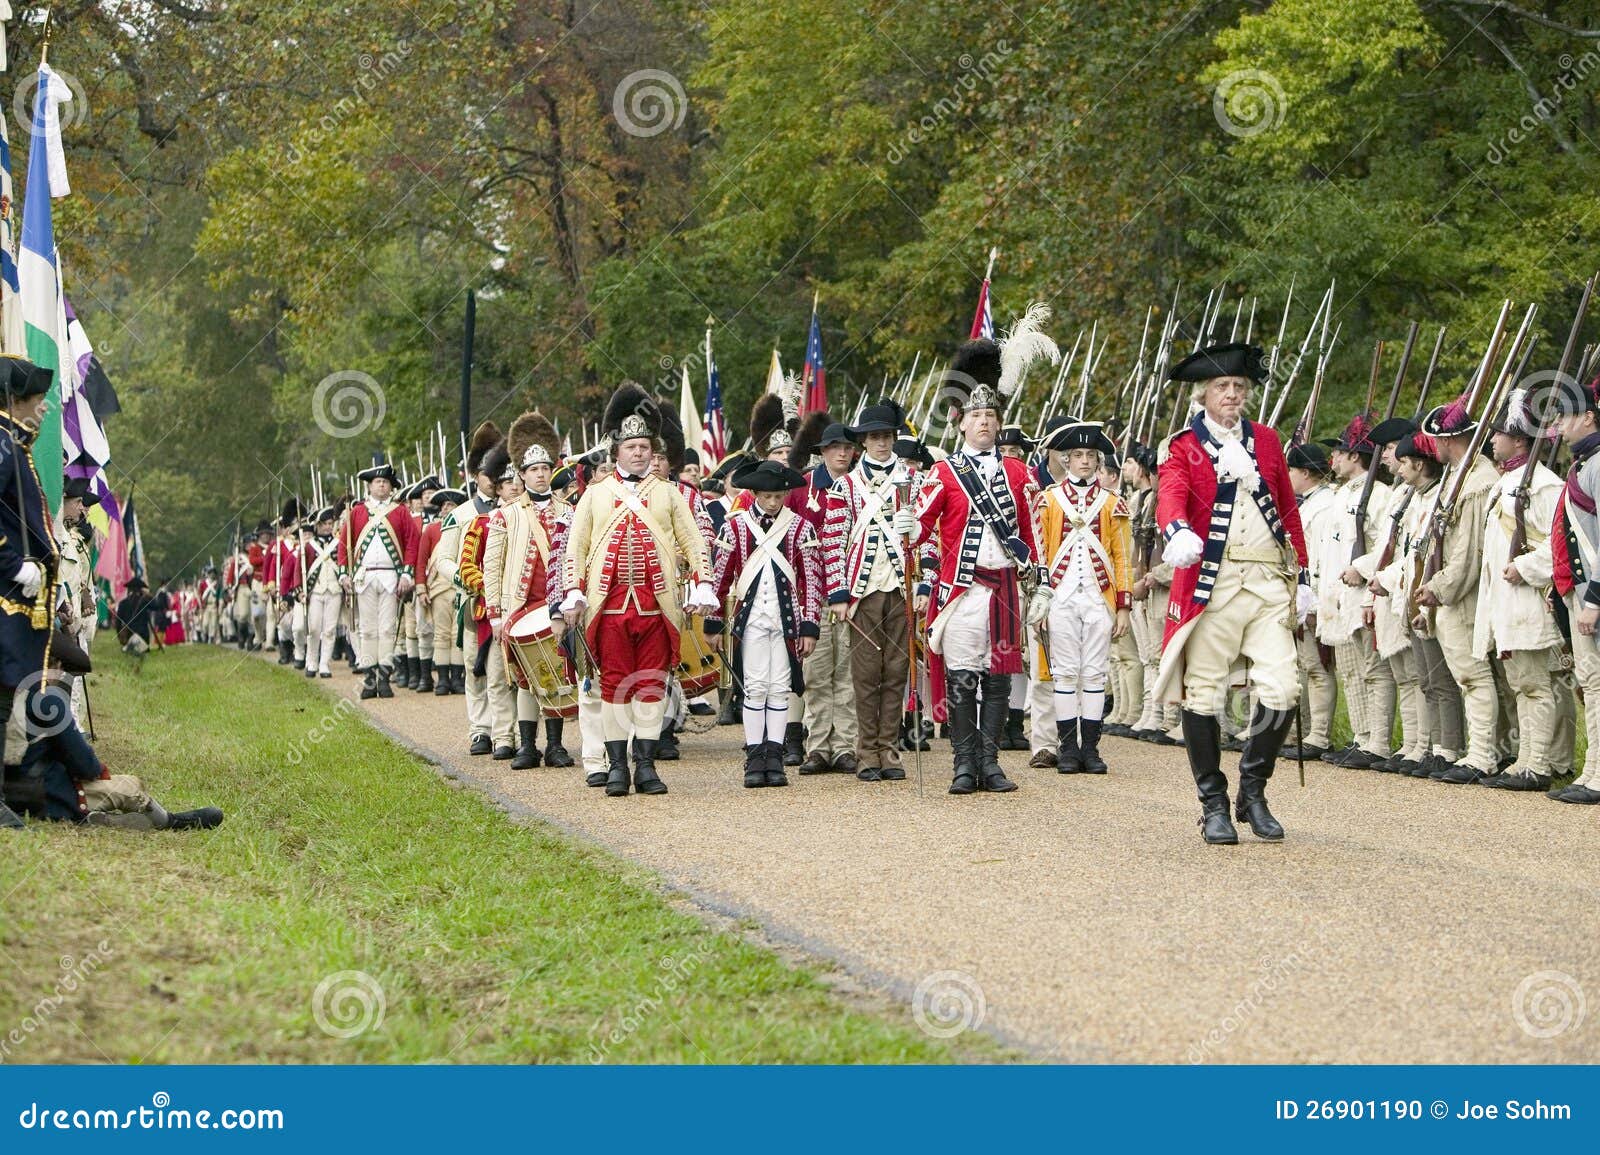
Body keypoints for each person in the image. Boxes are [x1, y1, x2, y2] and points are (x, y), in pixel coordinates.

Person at [1153, 342, 1312, 844]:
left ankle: (1254, 792)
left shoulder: (1266, 441)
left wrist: (1304, 576)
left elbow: (1288, 510)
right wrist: (1176, 529)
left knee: (1284, 688)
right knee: (1203, 695)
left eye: (1239, 387)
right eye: (1223, 386)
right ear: (1203, 395)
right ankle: (1213, 803)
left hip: (1267, 583)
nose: (1232, 395)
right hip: (1212, 586)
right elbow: (1171, 491)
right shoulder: (1183, 445)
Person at [908, 316, 1053, 796]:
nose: (984, 423)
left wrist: (1044, 584)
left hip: (1006, 585)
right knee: (963, 675)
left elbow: (1033, 533)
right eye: (976, 417)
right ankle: (963, 764)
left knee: (999, 678)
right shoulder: (944, 473)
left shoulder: (1018, 472)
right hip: (962, 589)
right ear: (962, 421)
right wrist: (910, 533)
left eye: (991, 417)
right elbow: (922, 531)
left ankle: (990, 763)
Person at [559, 383, 715, 797]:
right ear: (618, 451)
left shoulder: (668, 493)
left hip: (655, 606)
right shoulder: (594, 494)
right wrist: (573, 592)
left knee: (649, 684)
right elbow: (575, 547)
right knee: (612, 685)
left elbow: (694, 540)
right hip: (607, 607)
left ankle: (645, 765)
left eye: (645, 446)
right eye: (632, 446)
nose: (639, 452)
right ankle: (616, 767)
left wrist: (702, 580)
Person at [707, 459, 822, 787]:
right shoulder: (735, 527)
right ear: (755, 493)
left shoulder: (801, 527)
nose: (773, 502)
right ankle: (755, 756)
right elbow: (720, 578)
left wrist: (809, 626)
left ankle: (776, 755)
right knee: (755, 689)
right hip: (752, 618)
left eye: (779, 496)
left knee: (780, 689)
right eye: (767, 496)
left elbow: (811, 580)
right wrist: (714, 623)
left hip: (787, 621)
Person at [821, 401, 920, 781]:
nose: (882, 443)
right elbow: (833, 542)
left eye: (887, 437)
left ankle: (889, 751)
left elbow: (925, 539)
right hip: (862, 591)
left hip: (900, 588)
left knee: (896, 672)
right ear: (863, 442)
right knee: (864, 674)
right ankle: (866, 753)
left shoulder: (912, 478)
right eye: (875, 437)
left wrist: (923, 582)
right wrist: (839, 594)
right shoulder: (845, 486)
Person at [1029, 421, 1132, 775]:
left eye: (1090, 455)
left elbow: (1121, 557)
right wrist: (1041, 601)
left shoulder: (1113, 504)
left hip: (1098, 598)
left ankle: (1091, 748)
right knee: (1065, 673)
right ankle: (1068, 747)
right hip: (1060, 598)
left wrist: (1123, 605)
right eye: (1077, 455)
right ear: (1066, 460)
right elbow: (1041, 554)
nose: (1084, 461)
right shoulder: (1047, 500)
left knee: (1094, 673)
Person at [1475, 389, 1566, 791]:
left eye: (1499, 434)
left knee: (1534, 685)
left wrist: (1525, 567)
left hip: (1528, 597)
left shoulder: (1543, 484)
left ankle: (1538, 765)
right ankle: (1524, 761)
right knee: (1521, 685)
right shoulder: (1507, 482)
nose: (1492, 440)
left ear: (1520, 441)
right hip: (1506, 601)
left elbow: (1560, 541)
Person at [1415, 397, 1500, 783]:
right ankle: (1480, 750)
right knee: (1467, 676)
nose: (1433, 447)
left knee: (1473, 676)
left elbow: (1467, 553)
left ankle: (1483, 754)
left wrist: (1438, 587)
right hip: (1451, 593)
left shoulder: (1477, 481)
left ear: (1449, 440)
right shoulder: (1458, 476)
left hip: (1462, 594)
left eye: (1437, 440)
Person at [484, 411, 573, 770]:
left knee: (556, 673)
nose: (539, 474)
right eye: (532, 469)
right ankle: (526, 746)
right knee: (524, 679)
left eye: (544, 468)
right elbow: (493, 566)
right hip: (519, 606)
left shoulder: (569, 511)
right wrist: (494, 613)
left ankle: (554, 746)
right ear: (521, 475)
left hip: (555, 605)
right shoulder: (505, 515)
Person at [0, 354, 59, 831]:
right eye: (35, 401)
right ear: (14, 400)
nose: (41, 409)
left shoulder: (11, 444)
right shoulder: (1, 445)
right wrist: (12, 564)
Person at [791, 416, 859, 774]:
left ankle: (845, 745)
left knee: (846, 672)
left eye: (848, 447)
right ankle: (817, 745)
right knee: (816, 673)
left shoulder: (860, 487)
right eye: (836, 447)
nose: (843, 453)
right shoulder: (803, 489)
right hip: (813, 591)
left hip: (851, 591)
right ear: (824, 452)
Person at [1550, 375, 1600, 803]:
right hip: (1581, 593)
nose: (1558, 427)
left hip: (1594, 597)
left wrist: (1594, 601)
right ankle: (1591, 772)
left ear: (1588, 416)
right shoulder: (1586, 463)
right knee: (1591, 681)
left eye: (1565, 417)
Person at [336, 461, 420, 700]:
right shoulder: (357, 512)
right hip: (364, 575)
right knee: (367, 629)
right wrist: (344, 573)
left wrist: (407, 573)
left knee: (387, 628)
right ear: (370, 486)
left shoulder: (400, 511)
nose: (381, 485)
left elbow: (412, 543)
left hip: (391, 575)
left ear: (390, 487)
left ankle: (384, 677)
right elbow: (345, 544)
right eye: (377, 482)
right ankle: (369, 677)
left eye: (385, 482)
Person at [451, 422, 505, 752]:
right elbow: (445, 559)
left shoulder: (513, 508)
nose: (493, 479)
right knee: (476, 668)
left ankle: (504, 729)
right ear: (475, 475)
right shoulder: (460, 514)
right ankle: (480, 729)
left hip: (505, 602)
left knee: (503, 671)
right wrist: (467, 580)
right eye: (487, 473)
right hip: (472, 600)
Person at [417, 487, 465, 695]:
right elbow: (421, 560)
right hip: (437, 588)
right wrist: (421, 587)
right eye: (445, 505)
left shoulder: (466, 527)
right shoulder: (432, 530)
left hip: (461, 587)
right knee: (441, 634)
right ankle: (443, 680)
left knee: (457, 634)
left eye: (452, 505)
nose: (448, 509)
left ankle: (457, 678)